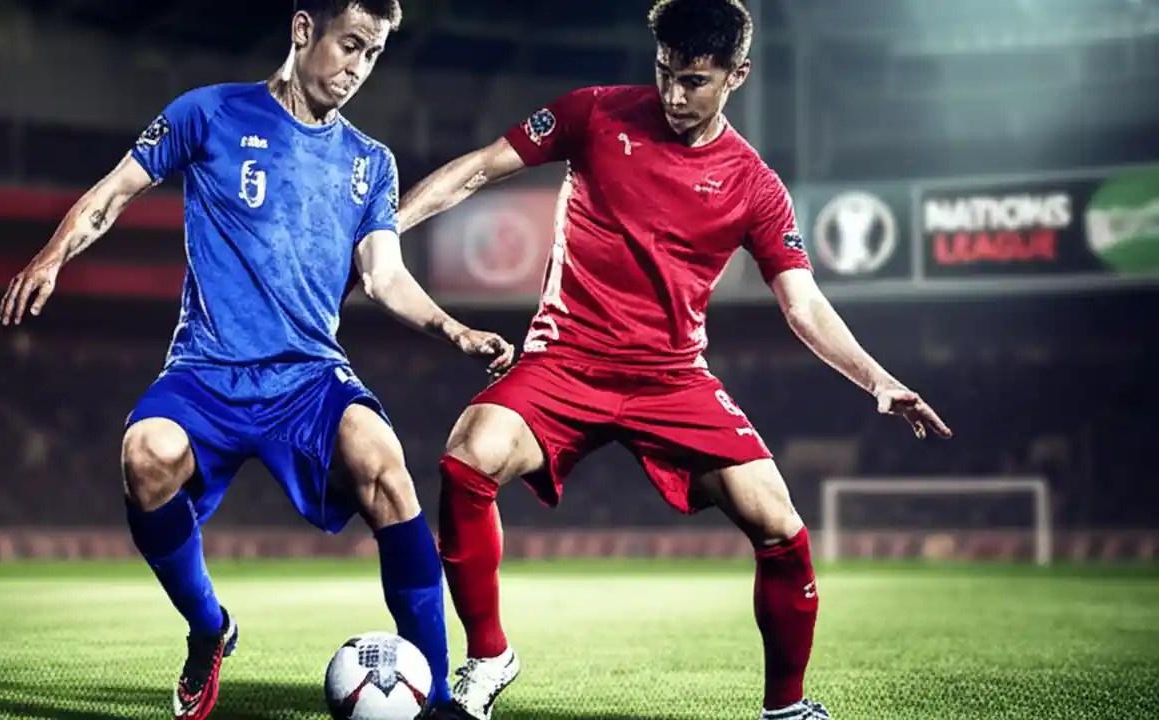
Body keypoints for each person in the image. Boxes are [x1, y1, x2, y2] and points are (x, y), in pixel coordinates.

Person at [396, 0, 952, 718]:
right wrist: (388, 227)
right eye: (664, 73)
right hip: (565, 358)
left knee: (780, 525)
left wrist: (877, 380)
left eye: (693, 80)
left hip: (672, 378)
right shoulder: (593, 114)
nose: (673, 95)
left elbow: (803, 305)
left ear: (736, 76)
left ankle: (786, 706)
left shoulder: (755, 185)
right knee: (468, 455)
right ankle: (489, 656)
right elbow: (478, 170)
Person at [0, 2, 513, 717]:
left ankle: (429, 697)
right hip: (206, 371)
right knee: (145, 455)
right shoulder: (206, 114)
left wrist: (456, 332)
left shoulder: (371, 163)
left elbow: (384, 276)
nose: (359, 67)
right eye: (351, 44)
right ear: (304, 30)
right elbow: (115, 192)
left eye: (373, 53)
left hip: (308, 376)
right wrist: (54, 253)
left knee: (387, 467)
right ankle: (209, 629)